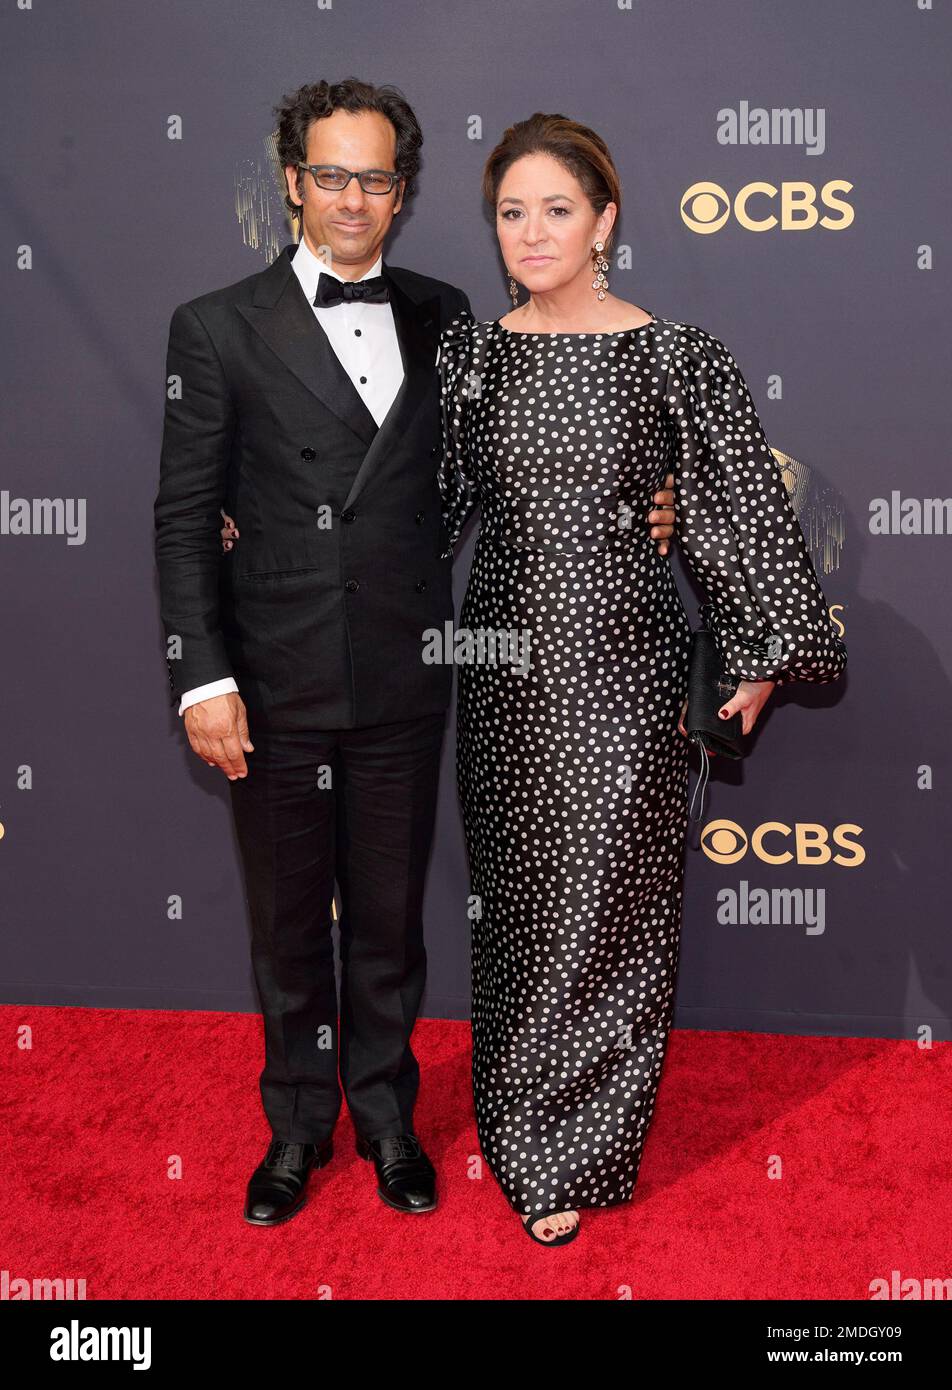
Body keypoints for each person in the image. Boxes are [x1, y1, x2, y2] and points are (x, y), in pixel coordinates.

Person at [154, 79, 678, 1228]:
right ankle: (296, 1128)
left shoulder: (453, 322)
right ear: (291, 182)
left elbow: (540, 446)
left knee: (388, 925)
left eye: (376, 177)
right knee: (289, 927)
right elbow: (185, 515)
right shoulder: (216, 325)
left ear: (404, 191)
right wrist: (203, 673)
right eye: (332, 175)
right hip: (276, 677)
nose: (354, 199)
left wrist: (651, 502)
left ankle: (388, 1120)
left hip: (406, 675)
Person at [436, 112, 848, 1246]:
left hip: (626, 667)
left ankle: (581, 1144)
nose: (530, 231)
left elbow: (742, 513)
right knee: (519, 906)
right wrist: (277, 538)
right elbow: (414, 515)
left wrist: (758, 660)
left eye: (555, 209)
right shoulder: (471, 356)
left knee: (610, 908)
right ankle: (519, 1127)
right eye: (510, 212)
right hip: (506, 667)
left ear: (605, 220)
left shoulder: (676, 354)